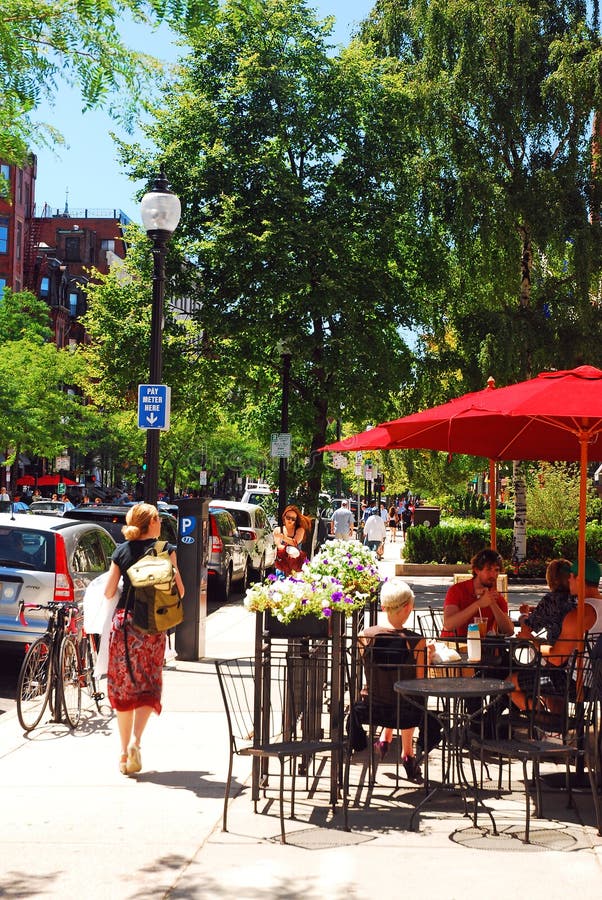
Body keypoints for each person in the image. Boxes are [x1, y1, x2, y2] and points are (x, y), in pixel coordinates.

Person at [103, 503, 185, 776]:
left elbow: (108, 591)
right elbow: (181, 592)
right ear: (150, 523)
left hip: (126, 627)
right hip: (153, 626)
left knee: (124, 687)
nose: (161, 523)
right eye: (158, 519)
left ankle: (124, 752)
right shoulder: (166, 551)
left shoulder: (121, 551)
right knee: (149, 684)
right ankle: (138, 741)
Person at [352, 579, 441, 783]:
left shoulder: (364, 636)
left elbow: (376, 670)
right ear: (409, 607)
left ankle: (387, 740)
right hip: (406, 713)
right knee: (411, 695)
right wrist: (427, 656)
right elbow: (420, 682)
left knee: (390, 688)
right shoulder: (416, 641)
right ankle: (408, 754)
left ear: (383, 607)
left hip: (374, 709)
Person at [441, 548, 514, 638]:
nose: (493, 575)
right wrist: (478, 604)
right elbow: (448, 625)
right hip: (454, 646)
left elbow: (509, 631)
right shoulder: (457, 590)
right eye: (489, 569)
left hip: (483, 648)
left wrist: (492, 603)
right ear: (476, 570)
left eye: (496, 570)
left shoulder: (496, 597)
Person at [518, 558, 575, 644]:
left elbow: (527, 628)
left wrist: (524, 614)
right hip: (580, 650)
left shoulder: (550, 600)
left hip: (556, 651)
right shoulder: (578, 598)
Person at [273, 504, 311, 576]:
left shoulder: (300, 530)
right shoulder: (278, 529)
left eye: (293, 519)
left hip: (296, 565)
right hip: (282, 564)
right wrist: (287, 550)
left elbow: (295, 543)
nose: (290, 520)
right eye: (288, 517)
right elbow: (278, 545)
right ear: (284, 517)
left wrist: (283, 537)